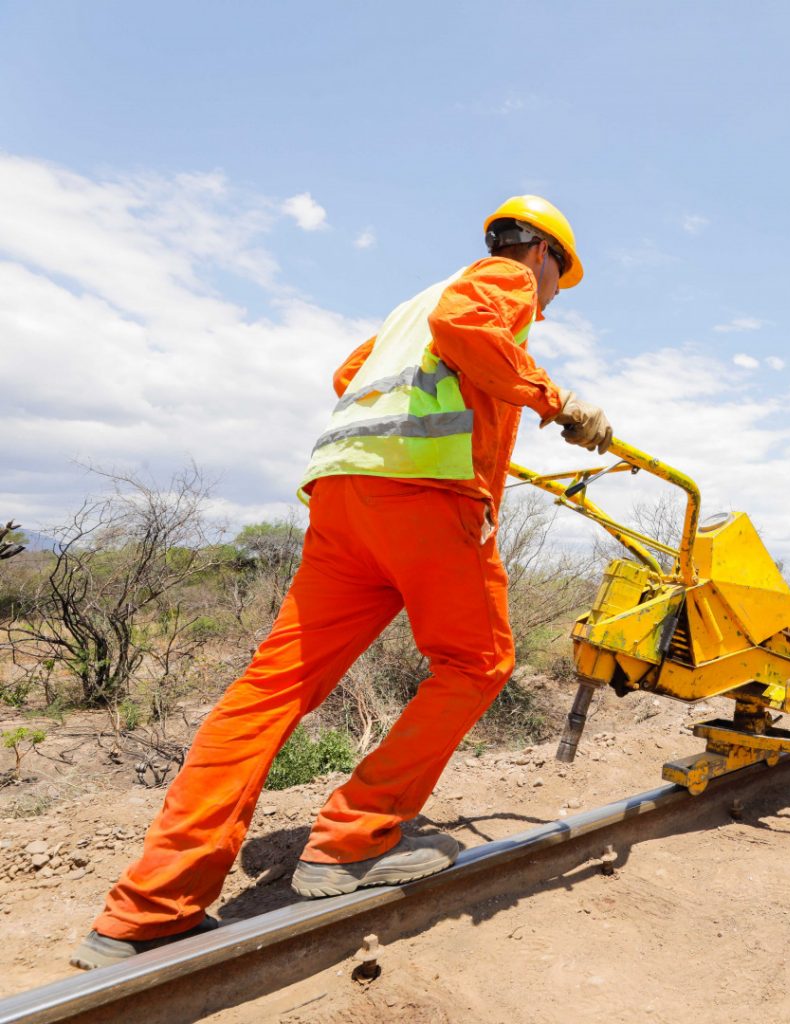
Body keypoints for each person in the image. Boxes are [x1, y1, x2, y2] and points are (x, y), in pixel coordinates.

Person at [71, 196, 613, 970]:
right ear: (544, 256)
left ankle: (148, 907)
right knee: (478, 663)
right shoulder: (504, 279)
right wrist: (555, 402)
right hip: (425, 500)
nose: (551, 302)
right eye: (560, 283)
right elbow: (470, 332)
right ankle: (354, 839)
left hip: (342, 500)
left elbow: (349, 374)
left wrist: (475, 406)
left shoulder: (409, 307)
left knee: (273, 687)